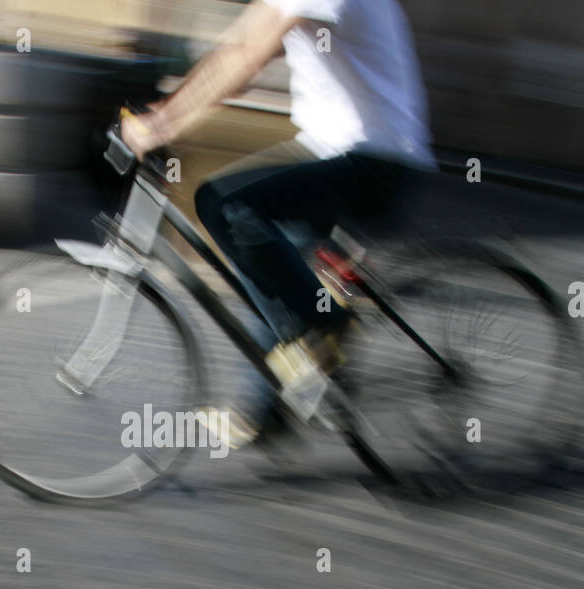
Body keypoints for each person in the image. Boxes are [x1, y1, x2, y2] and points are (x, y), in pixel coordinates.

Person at [121, 0, 436, 449]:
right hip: (333, 149)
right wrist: (168, 110)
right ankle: (268, 408)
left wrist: (162, 125)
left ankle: (324, 329)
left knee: (226, 205)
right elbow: (239, 48)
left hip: (375, 160)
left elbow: (246, 53)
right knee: (272, 262)